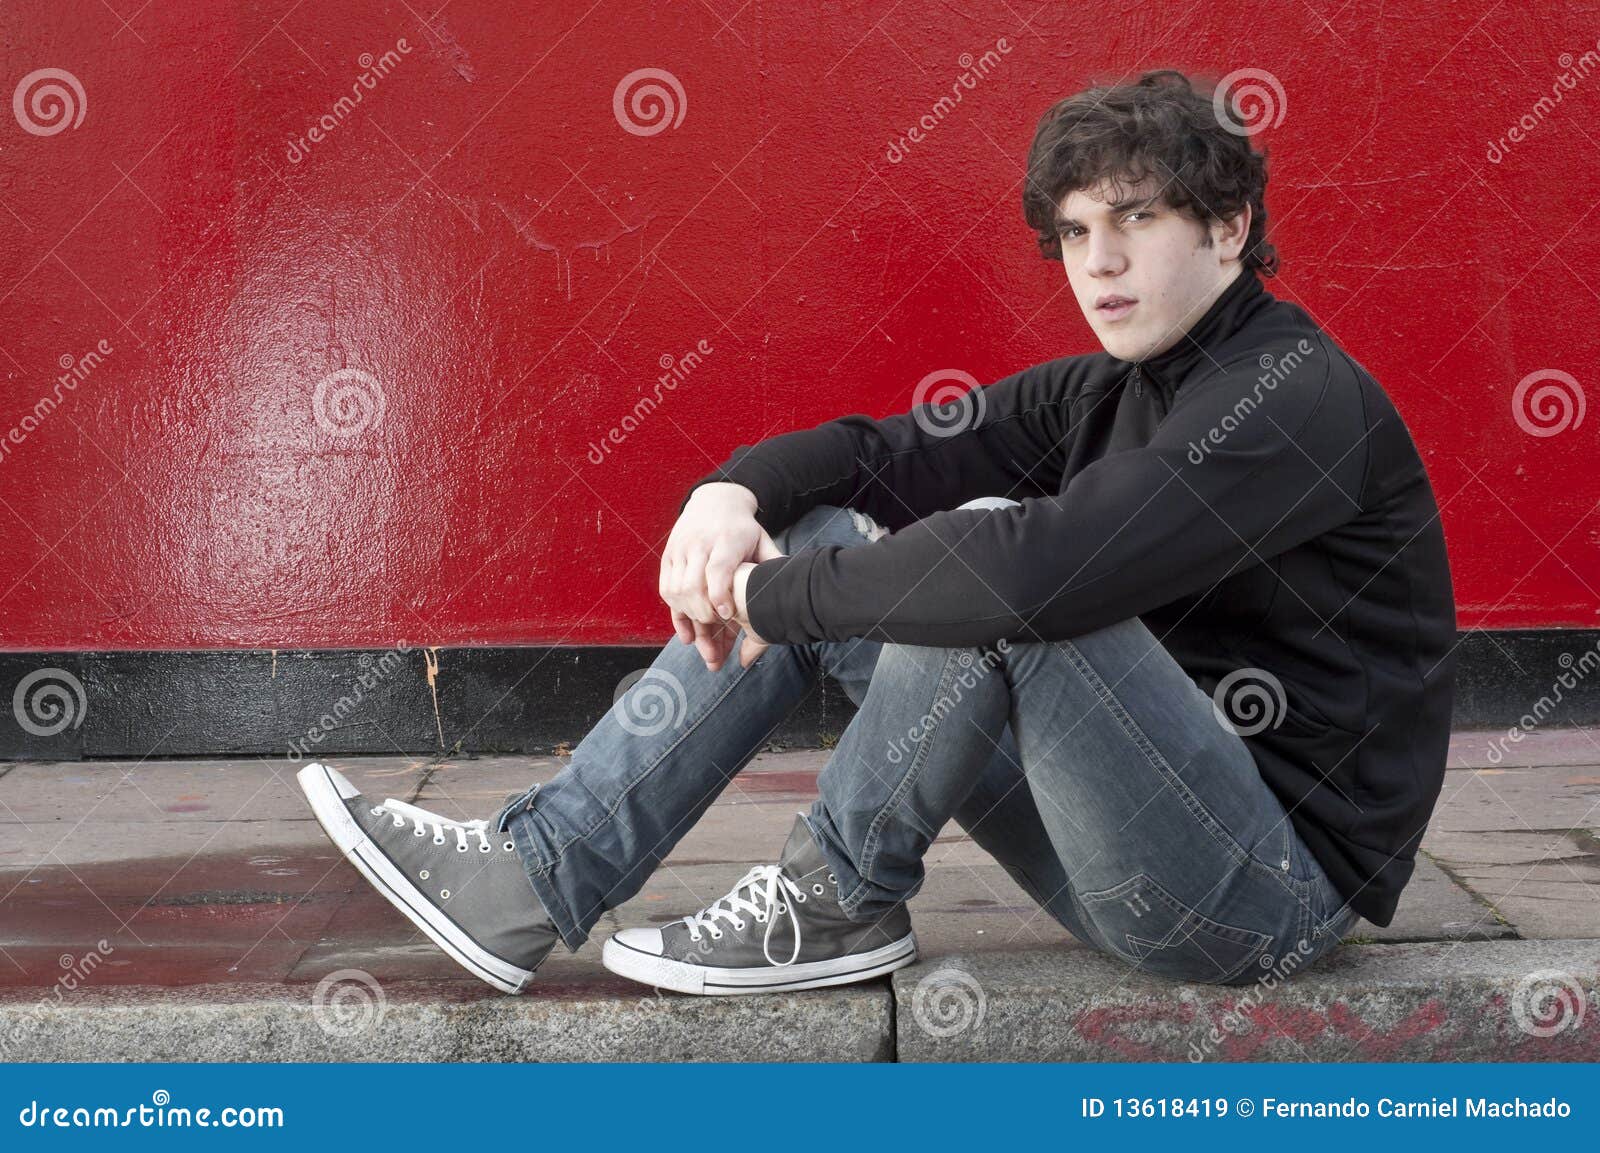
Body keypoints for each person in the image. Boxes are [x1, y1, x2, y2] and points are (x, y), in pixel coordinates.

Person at [298, 69, 1457, 997]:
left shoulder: (1292, 399)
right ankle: (532, 876)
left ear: (1229, 224)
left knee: (1000, 567)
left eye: (1136, 221)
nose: (1096, 263)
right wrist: (731, 495)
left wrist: (773, 601)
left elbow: (1035, 573)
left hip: (1262, 895)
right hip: (1118, 839)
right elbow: (882, 452)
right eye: (1072, 231)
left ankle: (837, 897)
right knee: (828, 534)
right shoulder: (1107, 388)